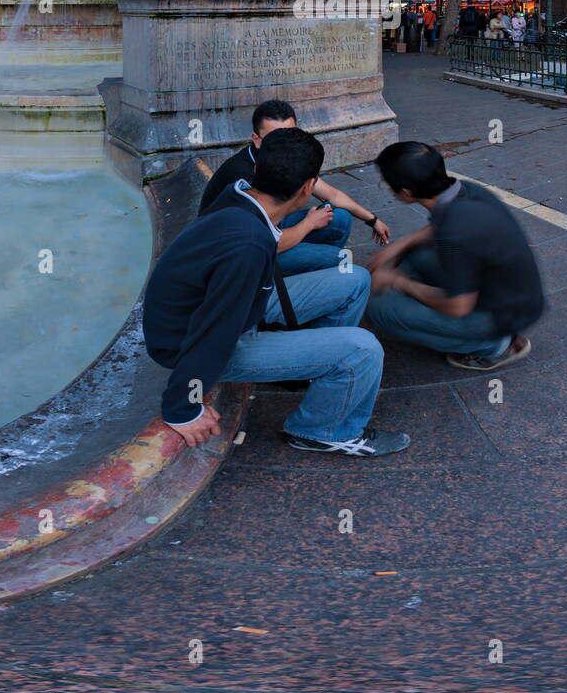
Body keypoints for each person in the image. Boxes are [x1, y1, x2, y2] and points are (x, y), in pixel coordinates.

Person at [141, 126, 405, 458]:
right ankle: (322, 430)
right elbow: (215, 330)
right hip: (199, 341)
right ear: (308, 187)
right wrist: (183, 407)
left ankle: (320, 374)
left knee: (354, 278)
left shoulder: (240, 193)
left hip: (239, 308)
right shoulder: (247, 244)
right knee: (362, 349)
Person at [360, 141, 544, 371]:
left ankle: (495, 346)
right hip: (515, 295)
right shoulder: (466, 190)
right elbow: (438, 229)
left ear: (406, 192)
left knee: (381, 311)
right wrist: (397, 246)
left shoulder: (455, 233)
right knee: (412, 255)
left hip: (503, 313)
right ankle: (456, 320)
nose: (385, 186)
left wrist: (399, 282)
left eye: (386, 182)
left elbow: (458, 306)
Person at [198, 100, 391, 275]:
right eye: (275, 137)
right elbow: (262, 241)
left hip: (269, 228)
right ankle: (301, 286)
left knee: (339, 218)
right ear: (256, 139)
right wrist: (308, 224)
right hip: (238, 257)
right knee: (335, 257)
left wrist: (372, 219)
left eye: (290, 134)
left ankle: (313, 276)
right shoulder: (244, 177)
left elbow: (331, 194)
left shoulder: (288, 157)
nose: (285, 144)